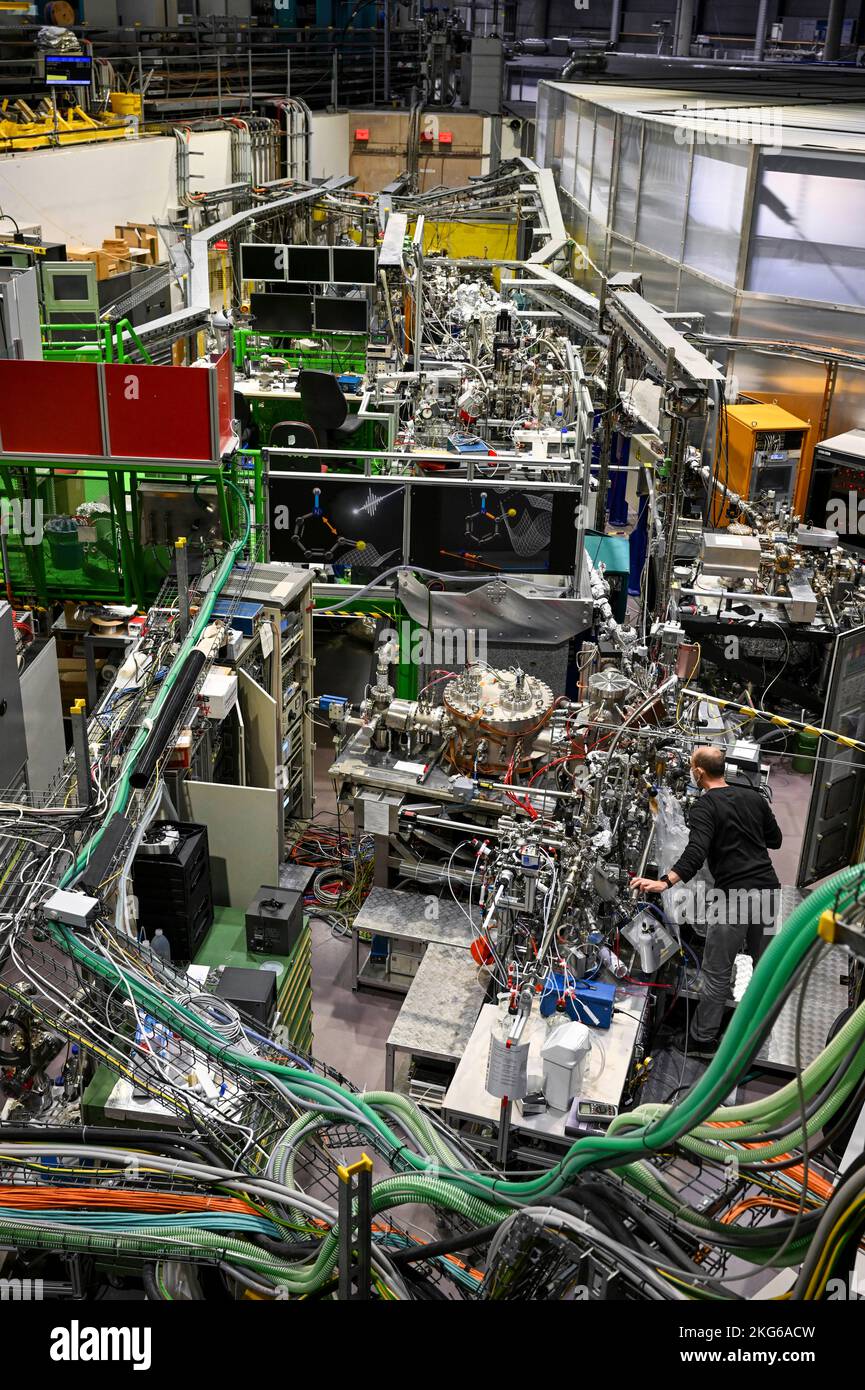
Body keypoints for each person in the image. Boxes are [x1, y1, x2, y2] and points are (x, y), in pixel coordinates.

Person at [630, 744, 783, 1058]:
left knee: (717, 973)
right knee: (766, 966)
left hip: (735, 897)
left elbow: (695, 853)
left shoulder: (705, 806)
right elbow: (776, 840)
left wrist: (664, 882)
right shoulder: (753, 796)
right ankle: (756, 1032)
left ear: (698, 772)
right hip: (768, 891)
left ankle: (702, 1038)